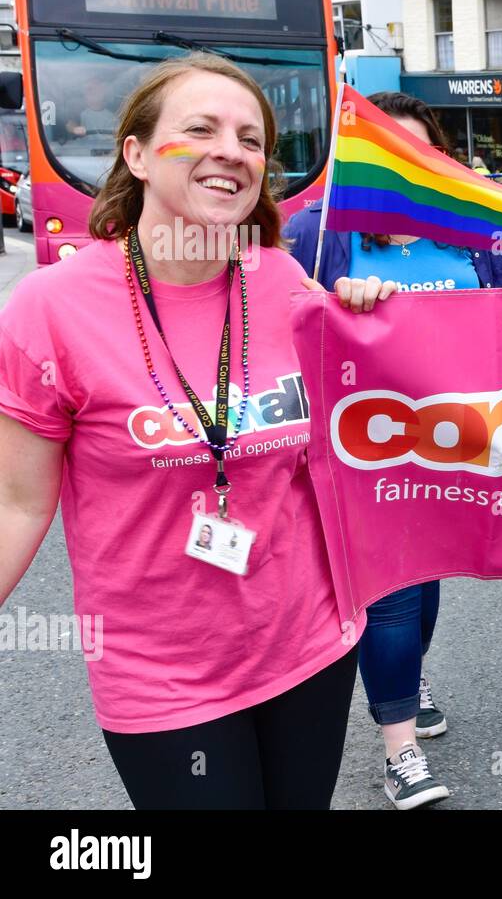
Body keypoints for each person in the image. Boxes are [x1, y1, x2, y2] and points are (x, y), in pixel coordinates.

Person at [0, 53, 361, 809]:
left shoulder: (288, 281)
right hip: (161, 679)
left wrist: (371, 320)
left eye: (252, 138)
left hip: (308, 649)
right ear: (135, 153)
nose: (232, 149)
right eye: (199, 129)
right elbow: (16, 504)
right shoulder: (50, 308)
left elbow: (356, 443)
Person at [284, 91, 502, 810]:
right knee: (392, 591)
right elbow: (279, 325)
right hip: (363, 446)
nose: (402, 169)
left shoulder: (470, 232)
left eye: (417, 154)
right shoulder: (318, 231)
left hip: (451, 441)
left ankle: (405, 681)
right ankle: (399, 749)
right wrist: (335, 300)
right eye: (386, 154)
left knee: (428, 572)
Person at [284, 92, 502, 293]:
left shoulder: (476, 224)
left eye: (422, 152)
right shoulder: (313, 229)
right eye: (392, 154)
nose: (409, 168)